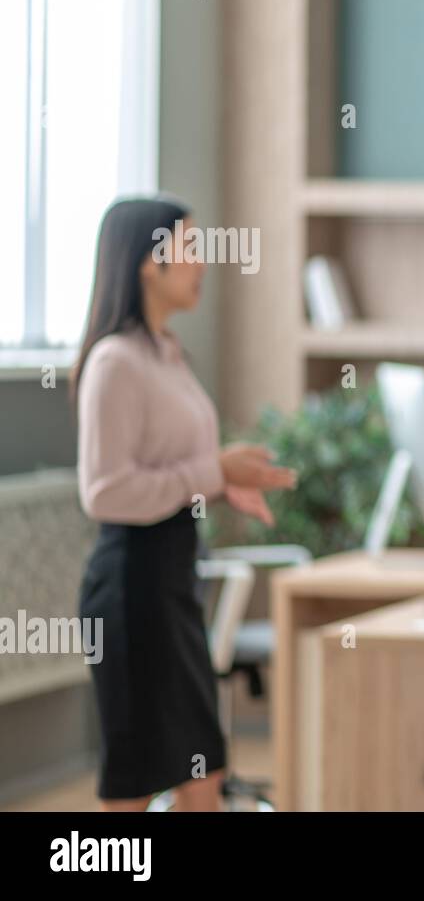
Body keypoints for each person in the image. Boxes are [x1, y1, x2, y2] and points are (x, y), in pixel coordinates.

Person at [73, 197, 296, 811]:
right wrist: (211, 471)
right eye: (190, 248)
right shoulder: (115, 362)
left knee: (203, 775)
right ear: (149, 262)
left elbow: (172, 465)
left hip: (172, 582)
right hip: (132, 587)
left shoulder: (167, 353)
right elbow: (105, 490)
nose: (201, 263)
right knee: (138, 786)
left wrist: (224, 481)